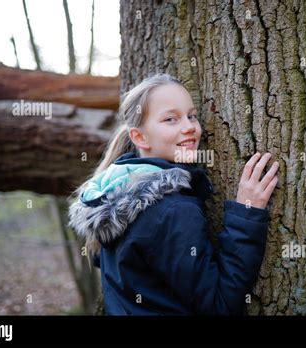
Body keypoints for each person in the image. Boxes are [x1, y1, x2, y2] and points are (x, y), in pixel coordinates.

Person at [68, 73, 280, 315]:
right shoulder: (172, 209)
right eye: (171, 119)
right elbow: (219, 305)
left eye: (192, 116)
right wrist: (246, 215)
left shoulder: (113, 192)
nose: (189, 127)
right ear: (139, 136)